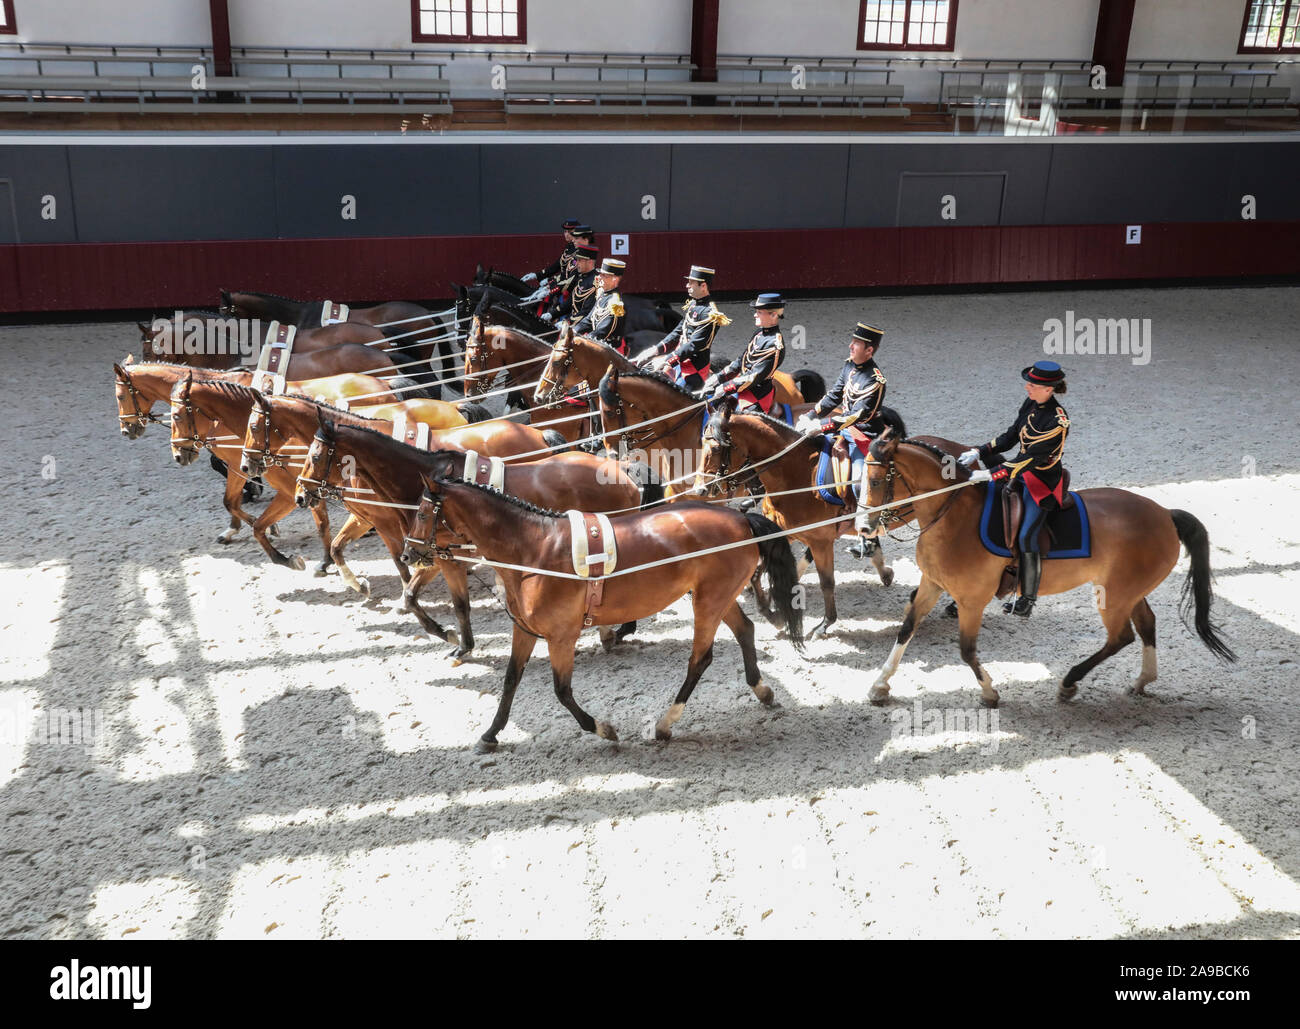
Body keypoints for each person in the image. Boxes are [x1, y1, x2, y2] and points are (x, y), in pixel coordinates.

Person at [959, 360, 1071, 617]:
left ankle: (1027, 599)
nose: (1027, 387)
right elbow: (1010, 436)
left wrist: (991, 473)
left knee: (1026, 537)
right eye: (1028, 382)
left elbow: (1031, 458)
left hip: (1040, 482)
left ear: (1049, 389)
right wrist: (980, 450)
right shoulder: (1031, 403)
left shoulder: (1058, 421)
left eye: (1033, 384)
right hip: (1016, 470)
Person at [795, 322, 887, 501]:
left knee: (860, 484)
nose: (850, 346)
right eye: (852, 341)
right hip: (842, 429)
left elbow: (857, 416)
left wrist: (821, 426)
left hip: (863, 436)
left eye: (856, 343)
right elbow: (834, 395)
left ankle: (871, 525)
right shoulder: (849, 366)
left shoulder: (876, 381)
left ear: (869, 350)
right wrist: (810, 415)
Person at [632, 264, 730, 392]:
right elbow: (678, 332)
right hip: (680, 361)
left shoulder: (710, 313)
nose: (687, 285)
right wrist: (655, 350)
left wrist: (669, 360)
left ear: (703, 286)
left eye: (691, 283)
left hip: (694, 369)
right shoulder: (694, 304)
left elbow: (695, 344)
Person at [705, 292, 786, 413]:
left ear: (773, 315)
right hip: (741, 386)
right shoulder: (758, 334)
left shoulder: (775, 344)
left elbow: (754, 376)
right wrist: (718, 377)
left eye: (759, 312)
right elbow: (741, 360)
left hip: (757, 394)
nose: (754, 315)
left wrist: (726, 387)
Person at [572, 258, 628, 354]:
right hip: (597, 344)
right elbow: (589, 320)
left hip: (610, 351)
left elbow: (604, 330)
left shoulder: (616, 303)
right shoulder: (603, 295)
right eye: (600, 274)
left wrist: (584, 339)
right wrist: (573, 330)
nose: (599, 277)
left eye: (604, 275)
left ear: (615, 279)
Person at [547, 242, 600, 325]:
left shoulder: (595, 282)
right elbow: (569, 303)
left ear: (589, 262)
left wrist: (568, 323)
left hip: (583, 329)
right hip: (573, 324)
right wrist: (551, 314)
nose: (576, 264)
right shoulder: (581, 278)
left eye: (580, 260)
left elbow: (587, 311)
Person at [527, 219, 580, 286]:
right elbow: (557, 265)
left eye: (569, 232)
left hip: (572, 285)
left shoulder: (579, 250)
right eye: (565, 231)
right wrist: (537, 275)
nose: (566, 234)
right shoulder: (569, 247)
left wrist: (551, 281)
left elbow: (570, 275)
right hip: (563, 283)